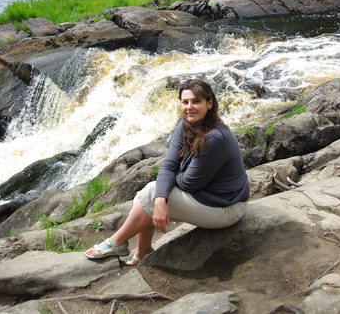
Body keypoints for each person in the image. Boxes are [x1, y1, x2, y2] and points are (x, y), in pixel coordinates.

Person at [84, 78, 250, 265]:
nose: (189, 107)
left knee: (152, 192)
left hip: (228, 209)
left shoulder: (215, 138)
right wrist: (161, 198)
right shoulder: (184, 126)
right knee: (151, 195)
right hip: (210, 198)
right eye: (185, 102)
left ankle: (117, 243)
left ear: (209, 104)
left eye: (196, 101)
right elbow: (169, 164)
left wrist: (163, 191)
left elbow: (189, 182)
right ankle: (143, 251)